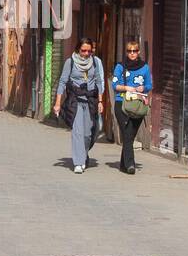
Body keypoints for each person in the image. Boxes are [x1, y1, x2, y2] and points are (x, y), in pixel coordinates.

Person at [54, 37, 104, 174]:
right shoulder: (70, 63)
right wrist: (58, 103)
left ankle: (83, 154)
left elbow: (99, 82)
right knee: (77, 132)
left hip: (90, 102)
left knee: (88, 134)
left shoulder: (94, 62)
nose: (86, 54)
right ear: (78, 49)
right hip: (75, 102)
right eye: (83, 51)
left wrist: (100, 101)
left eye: (89, 51)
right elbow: (62, 82)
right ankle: (78, 162)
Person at [111, 39, 152, 174]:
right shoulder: (120, 66)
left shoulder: (145, 67)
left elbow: (149, 85)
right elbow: (115, 85)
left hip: (137, 104)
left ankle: (123, 163)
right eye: (129, 51)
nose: (132, 54)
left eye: (134, 51)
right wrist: (127, 87)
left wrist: (142, 87)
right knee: (127, 133)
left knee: (130, 135)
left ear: (138, 52)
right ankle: (130, 164)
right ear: (126, 52)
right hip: (121, 103)